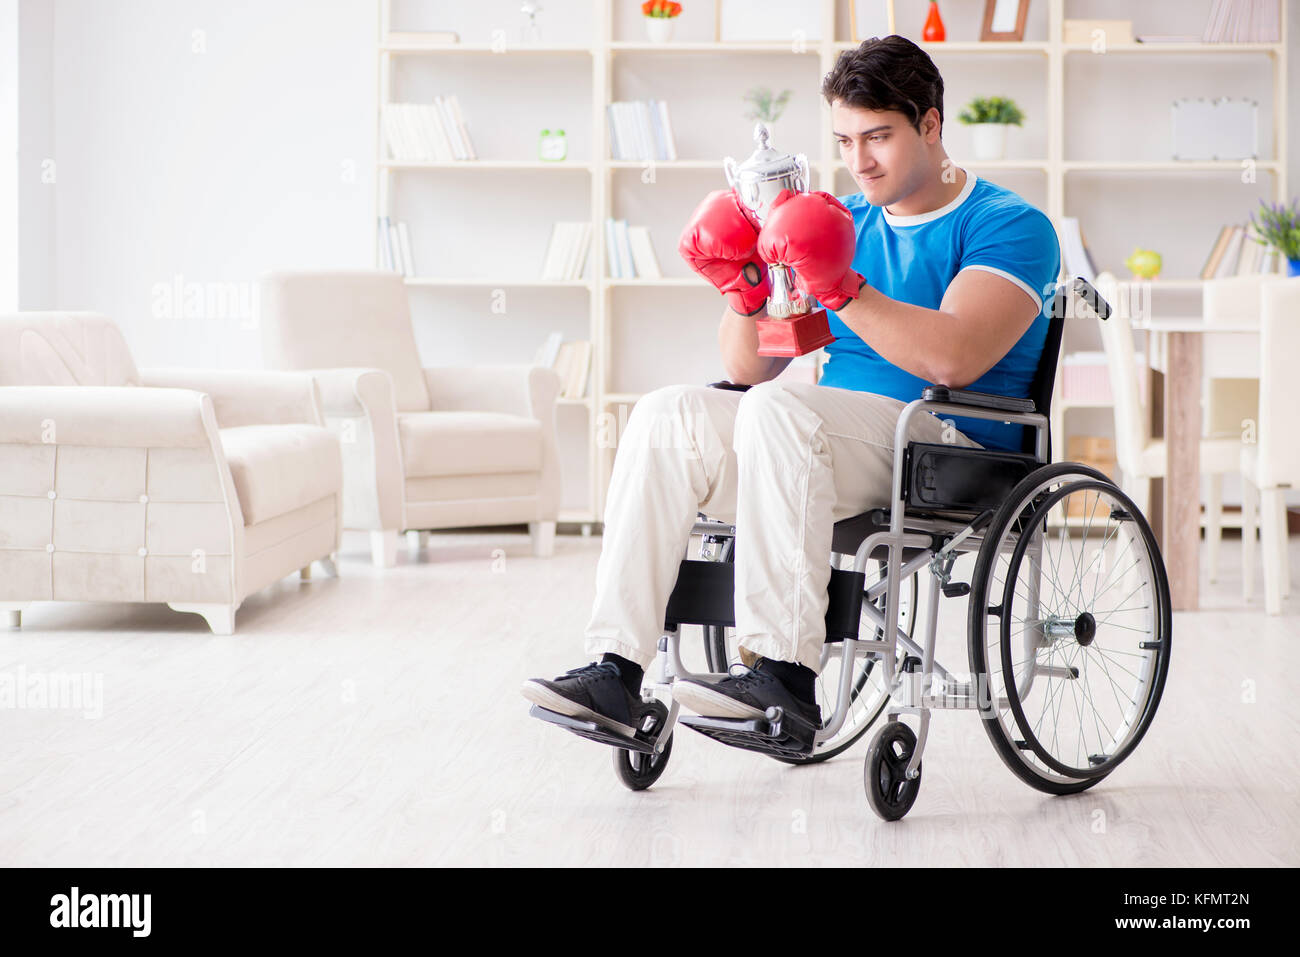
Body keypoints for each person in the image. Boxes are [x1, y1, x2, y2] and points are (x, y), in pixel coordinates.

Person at [522, 35, 1061, 752]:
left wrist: (842, 285)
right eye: (844, 140)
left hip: (946, 444)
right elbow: (751, 369)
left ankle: (781, 677)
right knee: (666, 413)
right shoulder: (842, 220)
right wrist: (743, 287)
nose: (859, 160)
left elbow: (955, 357)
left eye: (879, 137)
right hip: (816, 440)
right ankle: (616, 671)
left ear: (931, 124)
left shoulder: (1008, 224)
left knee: (781, 411)